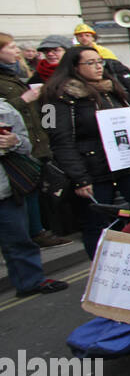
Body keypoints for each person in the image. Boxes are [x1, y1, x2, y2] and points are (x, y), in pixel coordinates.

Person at [42, 46, 130, 257]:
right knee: (97, 225)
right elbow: (60, 141)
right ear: (75, 67)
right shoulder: (60, 96)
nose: (98, 67)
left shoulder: (110, 88)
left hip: (124, 165)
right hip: (91, 171)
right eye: (91, 63)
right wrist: (80, 179)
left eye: (100, 62)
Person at [0, 34, 71, 247]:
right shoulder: (35, 76)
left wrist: (49, 128)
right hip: (24, 142)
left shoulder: (19, 74)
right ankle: (36, 231)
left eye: (55, 50)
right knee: (31, 188)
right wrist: (25, 101)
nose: (50, 54)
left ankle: (46, 228)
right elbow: (27, 108)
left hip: (41, 137)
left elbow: (43, 110)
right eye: (12, 47)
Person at [0, 99, 68, 297]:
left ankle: (30, 282)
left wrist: (15, 141)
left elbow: (26, 145)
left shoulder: (4, 109)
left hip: (6, 189)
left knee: (18, 238)